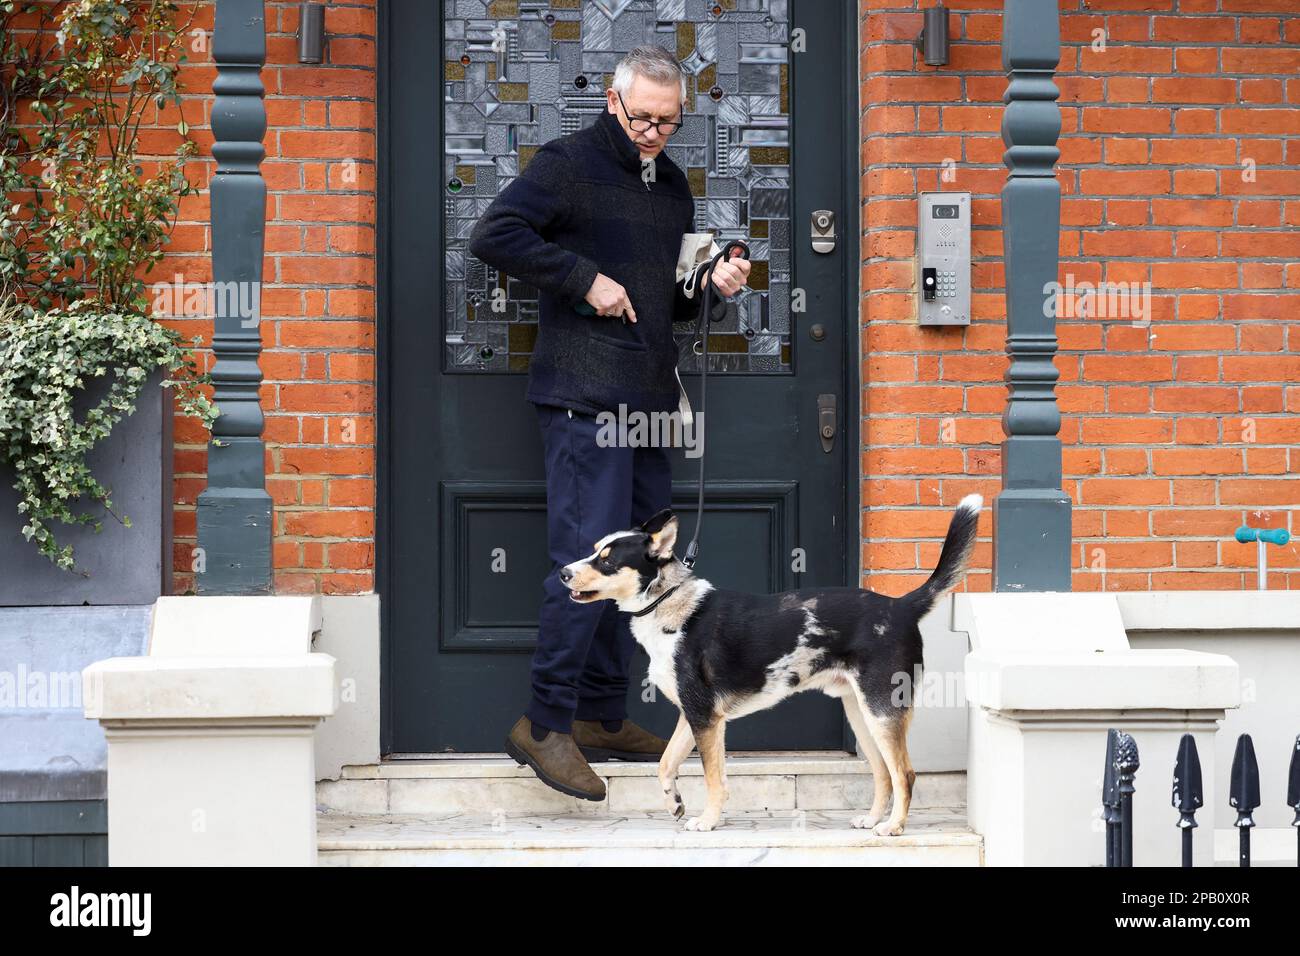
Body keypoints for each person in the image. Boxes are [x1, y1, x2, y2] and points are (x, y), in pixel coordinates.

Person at [467, 45, 750, 801]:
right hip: (583, 401)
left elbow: (670, 304)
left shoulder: (673, 187)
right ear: (614, 104)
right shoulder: (566, 163)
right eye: (643, 118)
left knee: (643, 568)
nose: (654, 132)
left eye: (669, 121)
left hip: (649, 406)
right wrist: (582, 277)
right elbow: (494, 234)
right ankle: (543, 723)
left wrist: (711, 285)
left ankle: (598, 715)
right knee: (583, 562)